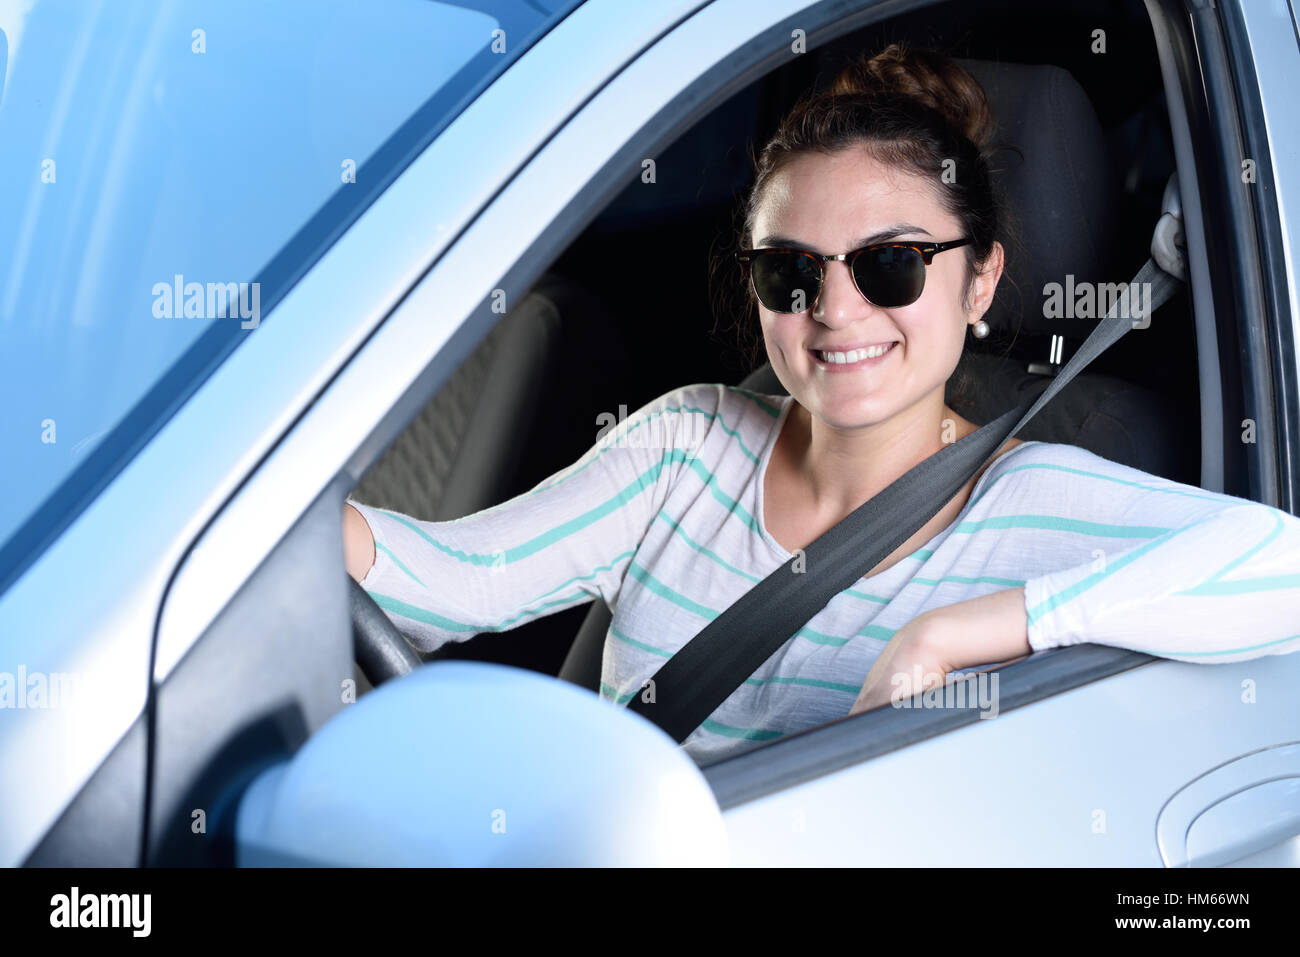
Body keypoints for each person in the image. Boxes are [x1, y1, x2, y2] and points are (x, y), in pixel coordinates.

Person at [342, 42, 1300, 764]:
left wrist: (961, 630)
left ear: (978, 283)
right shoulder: (686, 447)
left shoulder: (1032, 502)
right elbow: (443, 584)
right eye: (791, 272)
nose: (837, 311)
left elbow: (1284, 568)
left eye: (891, 265)